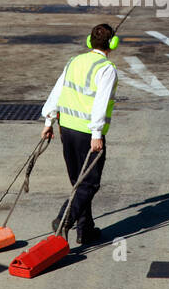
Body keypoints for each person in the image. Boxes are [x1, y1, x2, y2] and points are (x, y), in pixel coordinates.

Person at [40, 22, 118, 246]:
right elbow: (101, 103)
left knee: (77, 181)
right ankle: (64, 219)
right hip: (87, 132)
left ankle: (85, 230)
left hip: (67, 128)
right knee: (89, 184)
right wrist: (96, 134)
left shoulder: (74, 61)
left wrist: (48, 120)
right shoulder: (106, 68)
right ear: (113, 44)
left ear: (88, 41)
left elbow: (58, 90)